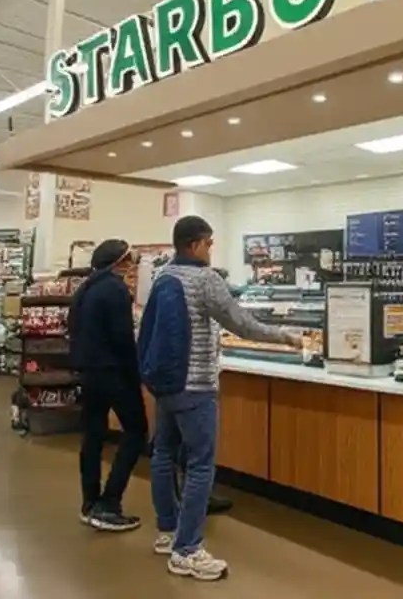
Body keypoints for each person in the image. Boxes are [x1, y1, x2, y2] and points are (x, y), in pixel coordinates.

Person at [138, 216, 303, 581]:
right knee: (200, 465)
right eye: (209, 243)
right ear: (195, 244)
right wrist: (285, 336)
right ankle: (187, 550)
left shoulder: (165, 276)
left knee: (164, 454)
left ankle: (168, 532)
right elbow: (240, 323)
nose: (211, 249)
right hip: (195, 386)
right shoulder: (205, 279)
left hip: (165, 384)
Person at [69, 239, 148, 532]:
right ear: (121, 262)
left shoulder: (85, 288)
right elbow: (123, 339)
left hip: (89, 373)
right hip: (114, 373)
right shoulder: (115, 290)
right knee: (137, 431)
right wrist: (136, 373)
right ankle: (110, 502)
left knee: (92, 437)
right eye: (130, 259)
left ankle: (90, 502)